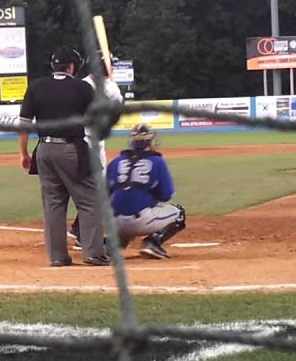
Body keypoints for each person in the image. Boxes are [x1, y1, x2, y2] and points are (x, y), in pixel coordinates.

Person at [18, 45, 110, 267]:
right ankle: (93, 253)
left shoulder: (36, 87)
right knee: (89, 200)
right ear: (72, 66)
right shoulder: (82, 88)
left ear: (53, 65)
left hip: (44, 150)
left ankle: (58, 257)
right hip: (72, 149)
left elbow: (24, 125)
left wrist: (23, 153)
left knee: (53, 204)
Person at [106, 124, 186, 259]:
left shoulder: (116, 161)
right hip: (140, 221)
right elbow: (167, 195)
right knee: (179, 213)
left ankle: (110, 245)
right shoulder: (157, 160)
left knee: (122, 210)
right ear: (150, 141)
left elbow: (105, 193)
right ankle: (152, 243)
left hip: (113, 221)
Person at [69, 53, 124, 251]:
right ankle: (82, 235)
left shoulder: (81, 85)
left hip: (82, 141)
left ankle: (78, 229)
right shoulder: (103, 87)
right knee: (98, 189)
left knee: (91, 188)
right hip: (88, 143)